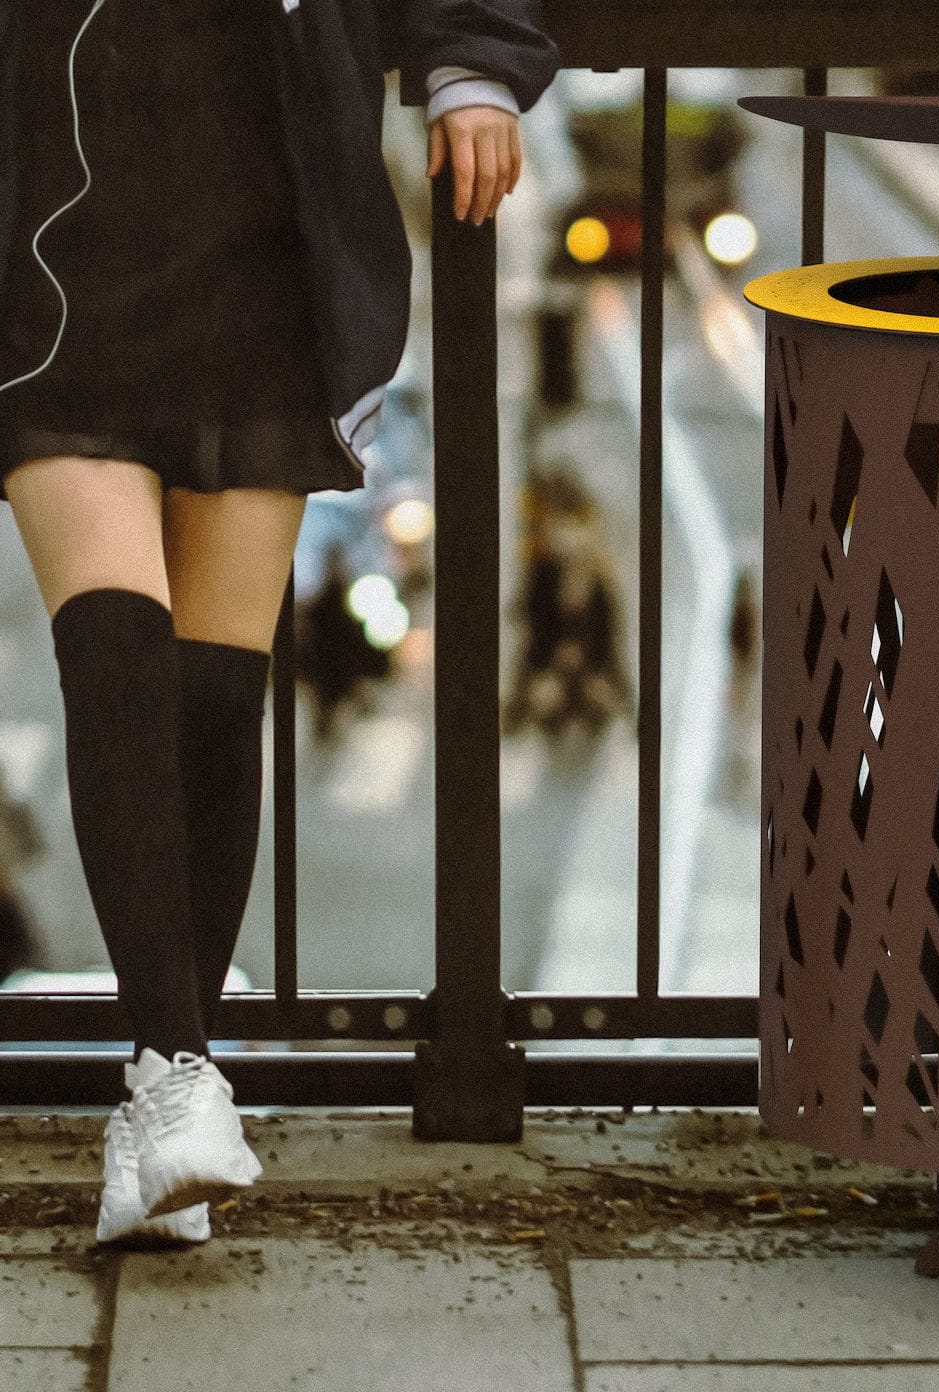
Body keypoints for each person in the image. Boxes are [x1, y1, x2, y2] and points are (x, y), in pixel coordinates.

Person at [0, 0, 556, 1246]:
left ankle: (164, 1103)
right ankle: (176, 1077)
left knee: (212, 693)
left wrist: (473, 72)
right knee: (116, 655)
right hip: (47, 260)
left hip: (262, 261)